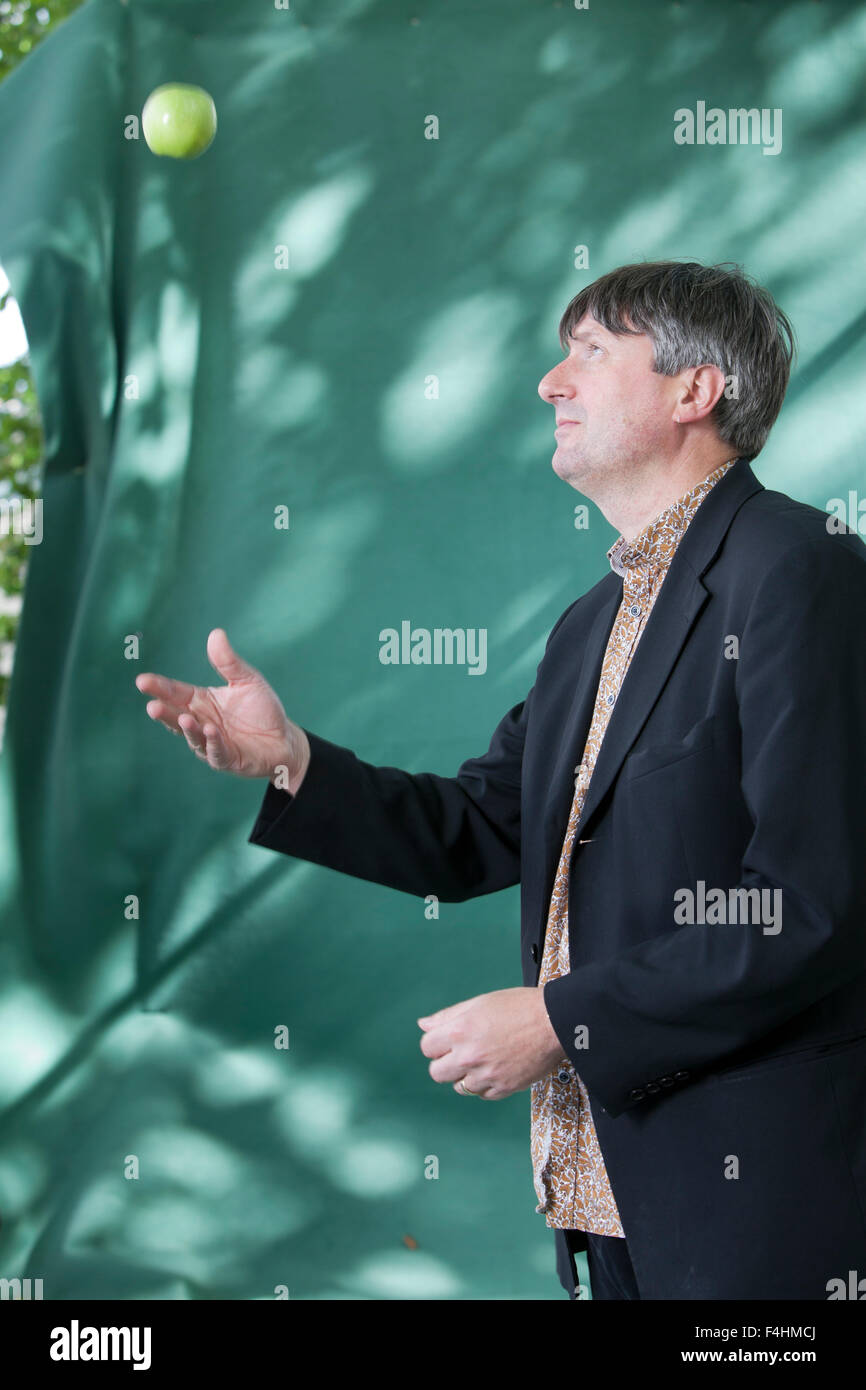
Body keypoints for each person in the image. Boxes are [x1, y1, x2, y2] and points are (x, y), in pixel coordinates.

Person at [136, 261, 866, 1300]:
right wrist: (289, 759)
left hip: (751, 1206)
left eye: (588, 352)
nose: (548, 383)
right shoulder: (588, 625)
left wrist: (561, 1020)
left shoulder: (800, 566)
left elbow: (808, 903)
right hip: (604, 1198)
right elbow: (477, 826)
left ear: (691, 391)